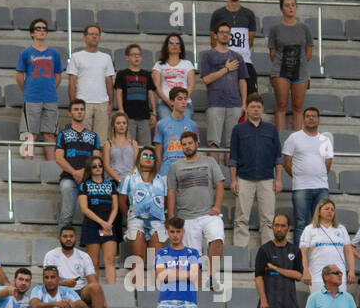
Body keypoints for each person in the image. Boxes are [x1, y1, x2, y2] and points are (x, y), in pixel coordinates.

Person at [228, 93, 283, 249]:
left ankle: (267, 251)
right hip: (244, 178)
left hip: (267, 179)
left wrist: (278, 179)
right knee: (241, 217)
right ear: (247, 109)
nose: (256, 109)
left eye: (259, 107)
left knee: (268, 219)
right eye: (253, 106)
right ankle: (240, 250)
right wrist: (233, 180)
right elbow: (233, 158)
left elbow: (278, 158)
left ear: (262, 109)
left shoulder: (271, 129)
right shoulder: (238, 130)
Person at [165, 133, 225, 265]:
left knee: (217, 238)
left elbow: (220, 184)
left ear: (197, 144)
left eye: (190, 143)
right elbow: (171, 191)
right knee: (192, 259)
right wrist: (171, 215)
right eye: (184, 144)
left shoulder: (210, 161)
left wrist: (217, 206)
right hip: (186, 217)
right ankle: (196, 284)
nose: (187, 147)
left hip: (209, 214)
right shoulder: (175, 166)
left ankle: (210, 277)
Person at [282, 107, 333, 244]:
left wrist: (316, 174)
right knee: (301, 224)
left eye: (314, 116)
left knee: (322, 224)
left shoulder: (325, 140)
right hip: (301, 188)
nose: (311, 118)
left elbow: (328, 165)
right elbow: (286, 161)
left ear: (319, 120)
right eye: (308, 116)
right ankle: (300, 259)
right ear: (303, 119)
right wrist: (298, 176)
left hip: (321, 187)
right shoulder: (294, 138)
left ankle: (318, 255)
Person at [16, 17, 63, 163]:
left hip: (50, 98)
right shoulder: (26, 53)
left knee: (50, 134)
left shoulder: (54, 53)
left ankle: (51, 165)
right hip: (32, 98)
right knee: (30, 134)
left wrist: (50, 89)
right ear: (32, 33)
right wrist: (28, 91)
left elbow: (58, 75)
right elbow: (19, 76)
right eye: (38, 28)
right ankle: (26, 164)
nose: (42, 31)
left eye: (44, 28)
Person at [55, 98, 104, 229]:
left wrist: (84, 172)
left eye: (82, 109)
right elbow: (59, 158)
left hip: (89, 180)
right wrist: (74, 172)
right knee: (66, 215)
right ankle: (62, 246)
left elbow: (96, 158)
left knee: (94, 215)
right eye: (76, 109)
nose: (80, 112)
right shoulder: (63, 135)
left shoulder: (93, 136)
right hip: (68, 178)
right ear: (70, 113)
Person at [200, 22, 248, 157]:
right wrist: (226, 69)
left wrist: (243, 103)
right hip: (215, 103)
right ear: (215, 35)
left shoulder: (237, 56)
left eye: (227, 32)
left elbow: (242, 80)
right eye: (222, 32)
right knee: (213, 143)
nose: (225, 35)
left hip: (235, 104)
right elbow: (206, 79)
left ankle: (230, 176)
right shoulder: (207, 55)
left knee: (232, 144)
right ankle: (214, 177)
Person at [255, 214, 306, 308]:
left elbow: (299, 275)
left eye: (283, 226)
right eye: (276, 225)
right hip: (270, 306)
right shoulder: (264, 250)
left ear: (289, 228)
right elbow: (258, 277)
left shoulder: (295, 250)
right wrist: (264, 301)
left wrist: (275, 268)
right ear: (272, 227)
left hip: (290, 306)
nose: (279, 229)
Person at [268, 0, 314, 131]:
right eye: (287, 5)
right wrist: (285, 64)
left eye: (293, 5)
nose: (291, 8)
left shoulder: (305, 28)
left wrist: (297, 64)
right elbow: (272, 53)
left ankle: (297, 141)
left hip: (300, 71)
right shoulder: (275, 29)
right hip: (281, 70)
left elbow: (309, 52)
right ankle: (280, 139)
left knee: (298, 107)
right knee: (281, 105)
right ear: (282, 8)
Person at [66, 23, 115, 146]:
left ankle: (99, 165)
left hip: (102, 103)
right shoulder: (76, 57)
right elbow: (72, 82)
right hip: (83, 103)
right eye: (91, 34)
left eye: (97, 34)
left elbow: (109, 81)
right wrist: (73, 104)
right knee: (83, 140)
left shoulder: (106, 57)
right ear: (84, 37)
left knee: (101, 141)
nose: (94, 37)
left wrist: (110, 103)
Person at [209, 0, 259, 94]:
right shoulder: (218, 14)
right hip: (224, 61)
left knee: (252, 96)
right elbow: (213, 40)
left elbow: (250, 41)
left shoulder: (249, 14)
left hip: (245, 61)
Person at [41, 225, 107, 308]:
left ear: (75, 238)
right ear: (59, 238)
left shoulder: (84, 256)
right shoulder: (51, 255)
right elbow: (47, 280)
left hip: (80, 291)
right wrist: (64, 283)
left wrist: (101, 297)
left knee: (95, 287)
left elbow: (92, 281)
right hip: (58, 290)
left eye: (71, 236)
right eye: (65, 236)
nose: (68, 239)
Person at [120, 146, 167, 264]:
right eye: (145, 155)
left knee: (158, 260)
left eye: (152, 157)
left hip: (157, 221)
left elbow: (165, 202)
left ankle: (156, 283)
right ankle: (137, 283)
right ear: (138, 159)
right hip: (136, 220)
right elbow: (121, 201)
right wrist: (131, 216)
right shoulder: (129, 179)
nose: (148, 158)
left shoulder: (161, 180)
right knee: (138, 258)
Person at [78, 156, 120, 284]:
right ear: (89, 169)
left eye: (100, 165)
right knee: (93, 263)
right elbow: (84, 209)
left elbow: (115, 207)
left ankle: (112, 292)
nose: (98, 168)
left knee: (110, 261)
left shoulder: (110, 184)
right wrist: (102, 223)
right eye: (94, 166)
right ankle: (94, 293)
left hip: (109, 225)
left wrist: (109, 224)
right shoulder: (84, 185)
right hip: (92, 225)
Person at [300, 198, 355, 293]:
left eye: (332, 209)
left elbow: (348, 251)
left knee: (339, 305)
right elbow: (303, 253)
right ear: (319, 212)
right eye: (326, 209)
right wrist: (305, 270)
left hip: (339, 276)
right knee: (320, 305)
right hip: (317, 275)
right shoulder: (309, 229)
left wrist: (352, 270)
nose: (330, 211)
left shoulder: (341, 229)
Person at [114, 44, 158, 147]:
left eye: (138, 55)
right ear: (127, 57)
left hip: (144, 115)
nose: (136, 57)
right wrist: (121, 110)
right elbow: (119, 93)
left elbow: (150, 93)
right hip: (128, 115)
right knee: (129, 144)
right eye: (133, 55)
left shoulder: (146, 74)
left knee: (145, 145)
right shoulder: (122, 74)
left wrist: (154, 112)